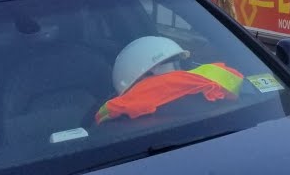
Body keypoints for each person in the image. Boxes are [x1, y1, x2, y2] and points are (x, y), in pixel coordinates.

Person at [94, 35, 243, 124]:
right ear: (151, 71)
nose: (180, 68)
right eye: (172, 61)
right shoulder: (212, 88)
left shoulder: (118, 120)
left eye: (178, 61)